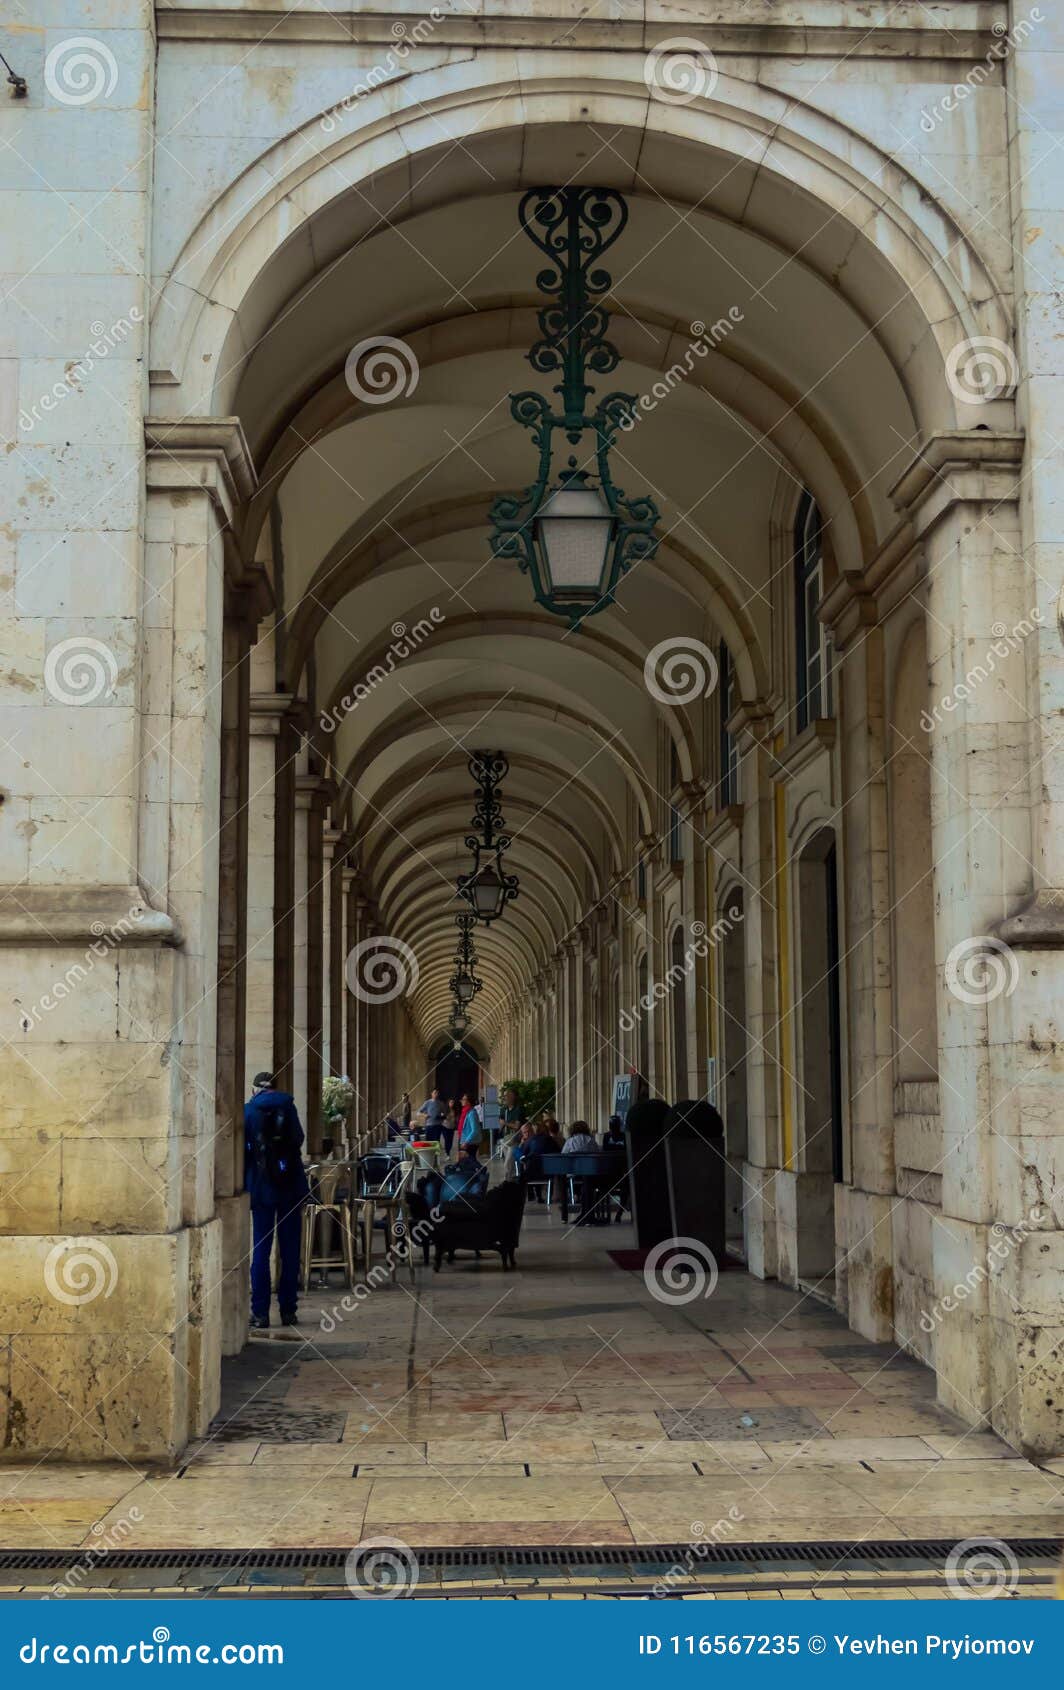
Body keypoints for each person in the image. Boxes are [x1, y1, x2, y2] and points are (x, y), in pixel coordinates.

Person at [244, 1071, 310, 1330]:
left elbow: (242, 1151)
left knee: (261, 1249)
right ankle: (288, 1310)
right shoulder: (288, 1107)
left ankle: (260, 1313)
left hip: (261, 1189)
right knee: (290, 1249)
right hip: (290, 1186)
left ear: (254, 1089)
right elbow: (299, 1140)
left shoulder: (249, 1112)